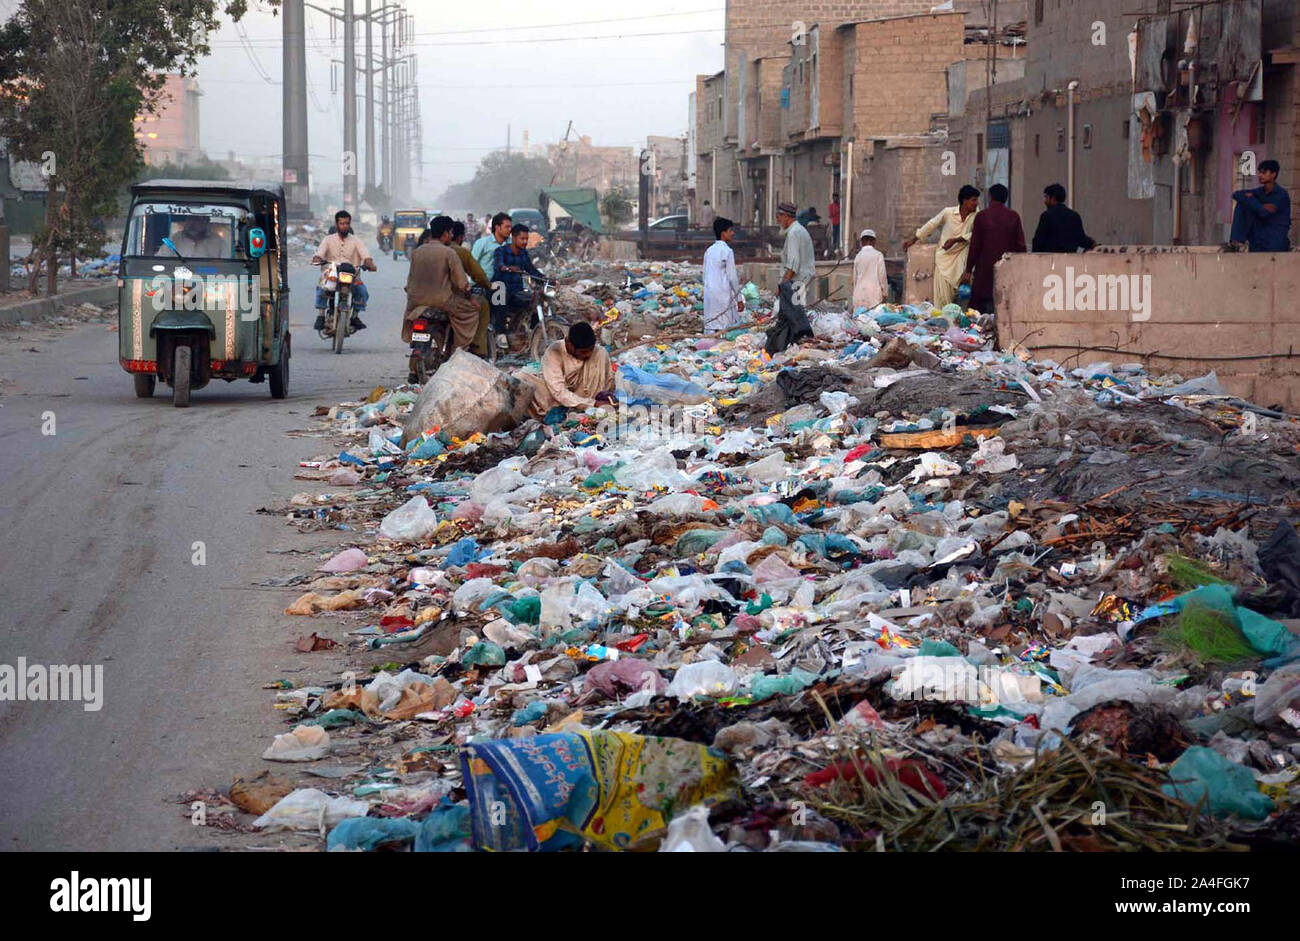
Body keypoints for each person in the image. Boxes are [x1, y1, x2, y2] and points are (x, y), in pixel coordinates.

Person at [401, 215, 481, 353]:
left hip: (415, 301)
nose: (451, 236)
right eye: (450, 233)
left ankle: (415, 367)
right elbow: (462, 283)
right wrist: (471, 298)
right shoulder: (449, 253)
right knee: (472, 311)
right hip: (442, 301)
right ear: (445, 234)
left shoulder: (417, 252)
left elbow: (410, 280)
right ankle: (458, 350)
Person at [903, 185, 980, 308]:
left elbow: (977, 235)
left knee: (964, 299)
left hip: (962, 259)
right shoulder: (948, 212)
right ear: (964, 201)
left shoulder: (977, 215)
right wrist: (914, 239)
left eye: (976, 200)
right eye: (973, 200)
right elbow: (931, 225)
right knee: (942, 300)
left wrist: (956, 240)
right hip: (944, 258)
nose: (976, 203)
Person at [519, 321, 615, 420]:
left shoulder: (599, 352)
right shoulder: (554, 352)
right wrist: (593, 404)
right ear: (569, 344)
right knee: (521, 378)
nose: (588, 355)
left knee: (601, 353)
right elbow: (558, 391)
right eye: (583, 352)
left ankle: (586, 409)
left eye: (591, 350)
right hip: (558, 399)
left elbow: (609, 381)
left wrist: (607, 399)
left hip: (589, 398)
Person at [963, 183, 1026, 314]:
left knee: (982, 314)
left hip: (984, 273)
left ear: (990, 197)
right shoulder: (1013, 216)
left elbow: (975, 246)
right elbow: (1021, 247)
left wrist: (968, 270)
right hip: (1007, 271)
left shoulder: (982, 216)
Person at [765, 201, 816, 355]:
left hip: (796, 282)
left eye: (779, 216)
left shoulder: (794, 233)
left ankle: (797, 345)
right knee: (793, 315)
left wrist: (782, 286)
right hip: (800, 280)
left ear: (786, 216)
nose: (777, 220)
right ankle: (790, 345)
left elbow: (793, 265)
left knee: (794, 317)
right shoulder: (798, 231)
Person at [312, 210, 376, 331]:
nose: (344, 226)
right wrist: (317, 258)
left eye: (347, 223)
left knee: (362, 291)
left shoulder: (356, 240)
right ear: (337, 224)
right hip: (331, 274)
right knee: (322, 287)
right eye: (342, 223)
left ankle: (355, 316)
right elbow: (320, 253)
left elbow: (365, 255)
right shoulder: (328, 239)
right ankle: (320, 315)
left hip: (352, 274)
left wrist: (369, 263)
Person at [491, 223, 545, 345]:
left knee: (536, 299)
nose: (525, 242)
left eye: (527, 239)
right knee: (502, 297)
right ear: (514, 238)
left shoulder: (523, 254)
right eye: (522, 239)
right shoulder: (501, 251)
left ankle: (532, 332)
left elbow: (531, 270)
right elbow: (498, 265)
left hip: (516, 291)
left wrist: (544, 279)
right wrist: (508, 268)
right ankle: (500, 334)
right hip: (499, 290)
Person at [1228, 159, 1291, 252]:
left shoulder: (1281, 194)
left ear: (1273, 174)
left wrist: (1252, 200)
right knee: (1242, 204)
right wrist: (1259, 204)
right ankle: (1236, 243)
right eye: (1259, 172)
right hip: (1259, 237)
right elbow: (1236, 194)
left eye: (1264, 172)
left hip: (1274, 240)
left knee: (1247, 203)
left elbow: (1263, 213)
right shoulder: (1259, 192)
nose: (1260, 175)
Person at [450, 219, 492, 357]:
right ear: (460, 237)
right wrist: (488, 285)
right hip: (452, 299)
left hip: (422, 299)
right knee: (482, 305)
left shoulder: (423, 250)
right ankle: (478, 348)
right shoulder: (460, 252)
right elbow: (478, 275)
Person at [702, 216, 744, 334]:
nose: (733, 233)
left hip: (710, 292)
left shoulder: (709, 251)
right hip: (722, 294)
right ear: (723, 233)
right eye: (730, 231)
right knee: (724, 326)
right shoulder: (727, 251)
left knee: (711, 324)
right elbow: (732, 278)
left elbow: (704, 274)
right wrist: (739, 299)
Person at [1031, 183, 1096, 253]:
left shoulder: (1046, 216)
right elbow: (1081, 239)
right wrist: (1093, 245)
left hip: (1051, 259)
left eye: (1046, 197)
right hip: (1070, 260)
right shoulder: (1074, 216)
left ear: (1053, 198)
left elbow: (1038, 242)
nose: (1044, 201)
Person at [852, 228, 888, 312]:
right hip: (874, 295)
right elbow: (882, 276)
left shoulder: (858, 257)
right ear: (874, 241)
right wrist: (885, 293)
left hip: (859, 294)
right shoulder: (878, 255)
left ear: (861, 241)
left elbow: (854, 279)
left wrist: (854, 294)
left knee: (860, 321)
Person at [159, 215, 227, 258]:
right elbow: (159, 259)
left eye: (197, 220)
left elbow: (226, 267)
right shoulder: (175, 239)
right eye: (190, 219)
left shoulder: (218, 242)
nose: (192, 224)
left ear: (206, 222)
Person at [472, 212, 511, 283]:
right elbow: (471, 265)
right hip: (484, 286)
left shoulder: (511, 244)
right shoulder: (482, 243)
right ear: (497, 227)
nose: (510, 229)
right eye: (507, 227)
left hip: (507, 286)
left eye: (510, 227)